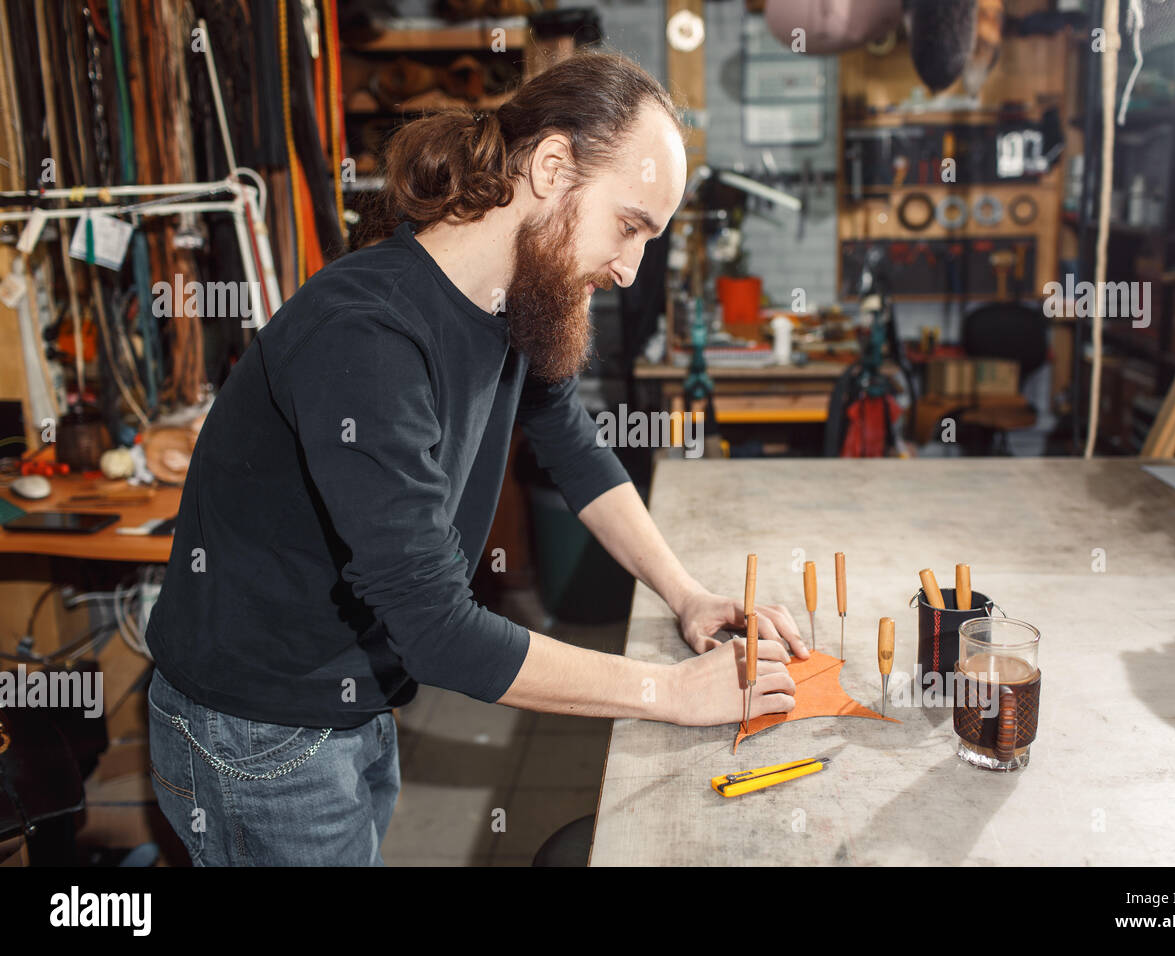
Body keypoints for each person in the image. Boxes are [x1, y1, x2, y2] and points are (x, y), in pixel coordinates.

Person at [146, 50, 806, 866]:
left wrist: (689, 593)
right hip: (257, 726)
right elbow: (440, 633)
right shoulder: (366, 335)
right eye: (629, 224)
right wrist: (668, 693)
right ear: (552, 167)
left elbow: (571, 443)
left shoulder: (513, 300)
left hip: (352, 695)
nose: (631, 269)